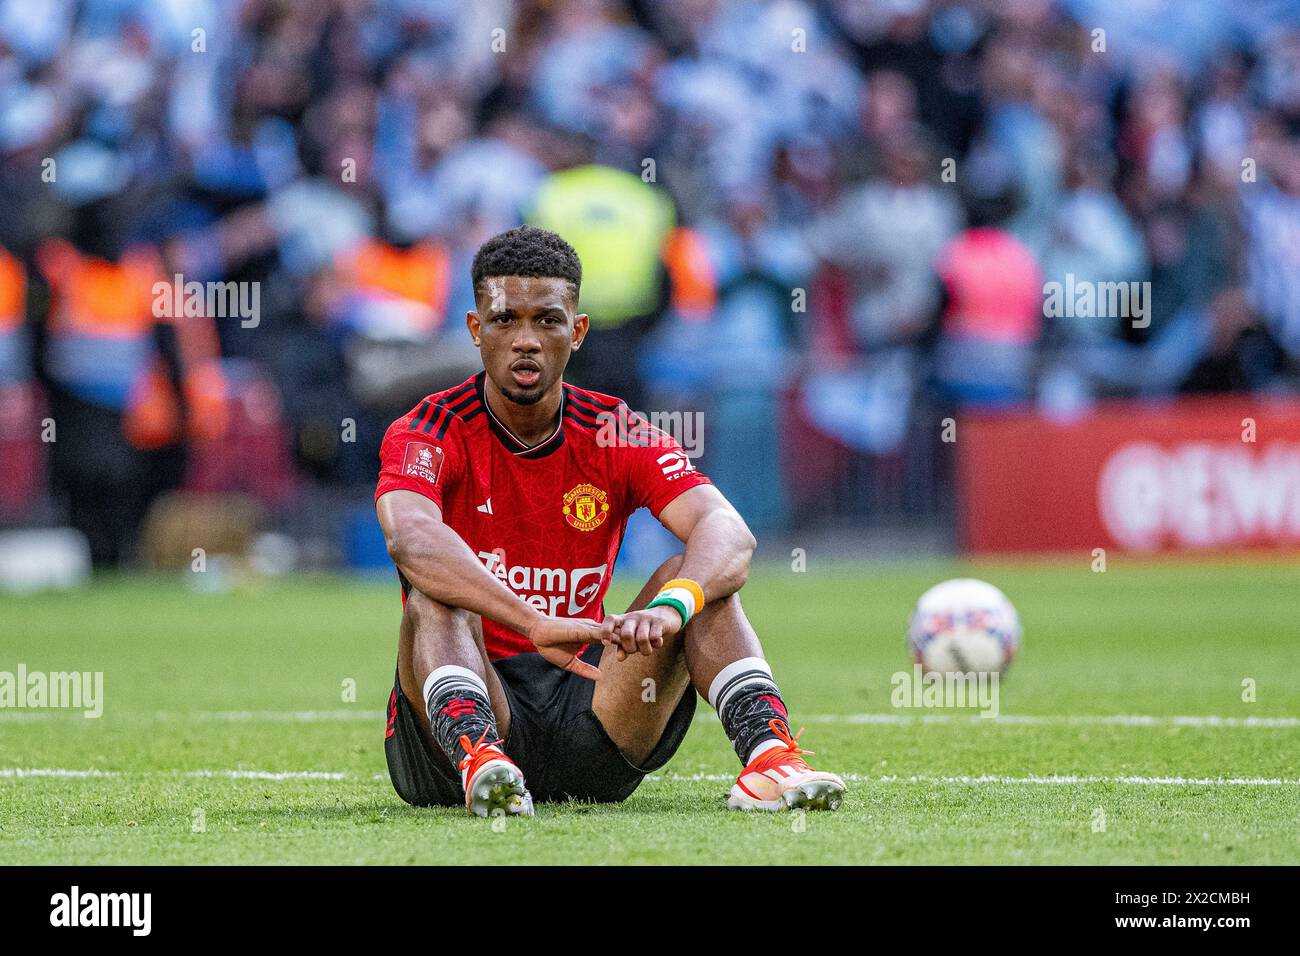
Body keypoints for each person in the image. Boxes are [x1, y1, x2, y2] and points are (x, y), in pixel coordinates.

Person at [374, 226, 846, 816]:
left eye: (546, 320)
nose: (526, 341)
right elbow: (410, 538)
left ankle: (770, 759)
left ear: (577, 331)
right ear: (476, 330)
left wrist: (672, 605)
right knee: (434, 595)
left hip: (592, 719)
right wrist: (531, 620)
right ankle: (480, 757)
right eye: (504, 321)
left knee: (696, 575)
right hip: (452, 738)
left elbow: (728, 533)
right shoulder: (428, 429)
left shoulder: (613, 429)